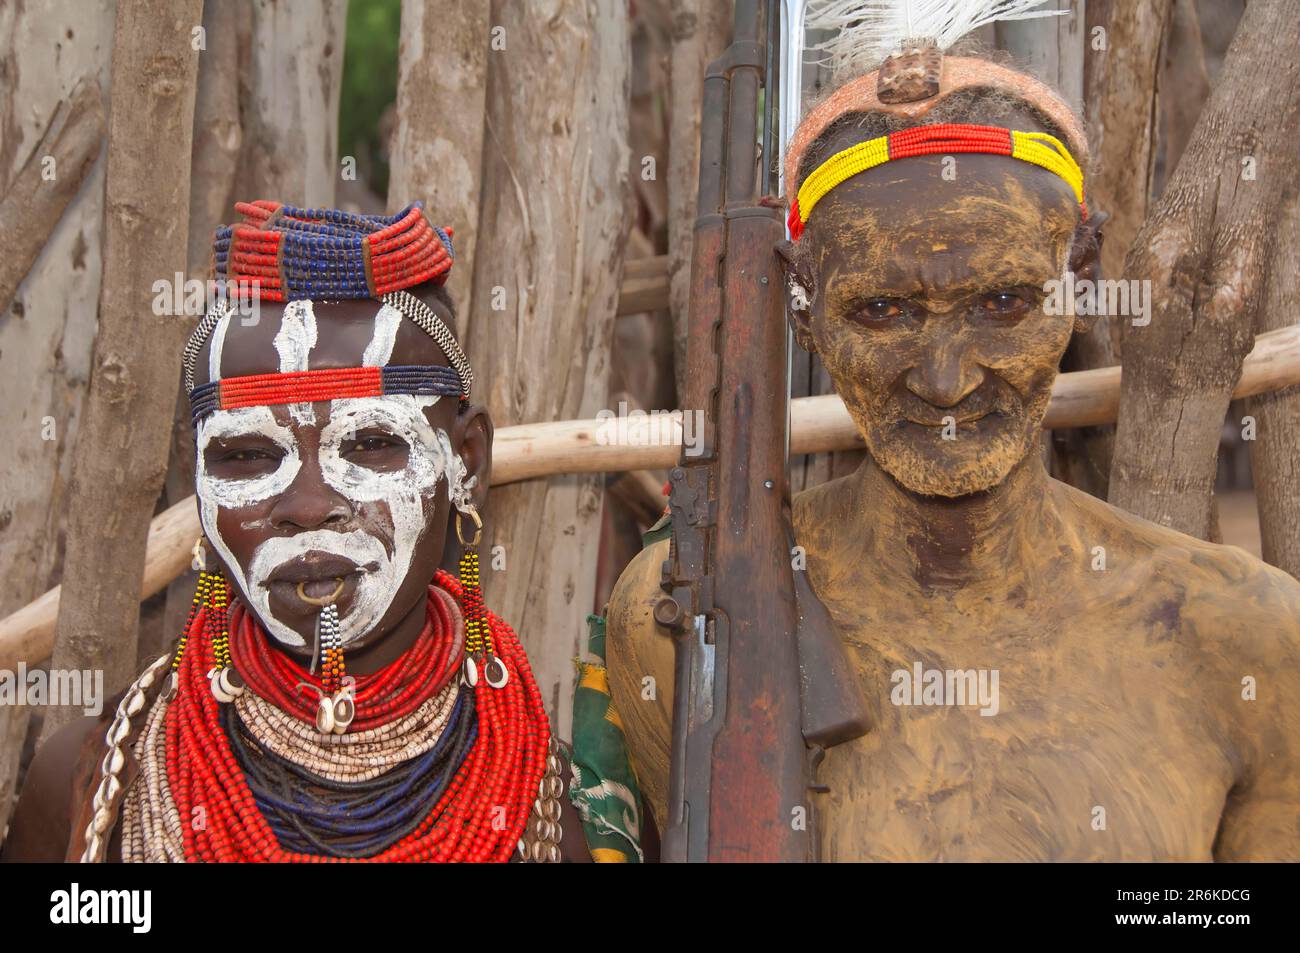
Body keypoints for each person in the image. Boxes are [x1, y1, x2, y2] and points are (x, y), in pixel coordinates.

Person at [604, 49, 1300, 861]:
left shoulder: (1242, 633)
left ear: (1078, 277)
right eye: (884, 310)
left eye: (1002, 303)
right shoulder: (685, 623)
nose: (945, 379)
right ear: (802, 307)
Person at [3, 201, 585, 863]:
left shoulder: (546, 809)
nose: (309, 506)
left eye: (369, 444)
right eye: (247, 455)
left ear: (465, 463)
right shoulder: (96, 786)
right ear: (198, 481)